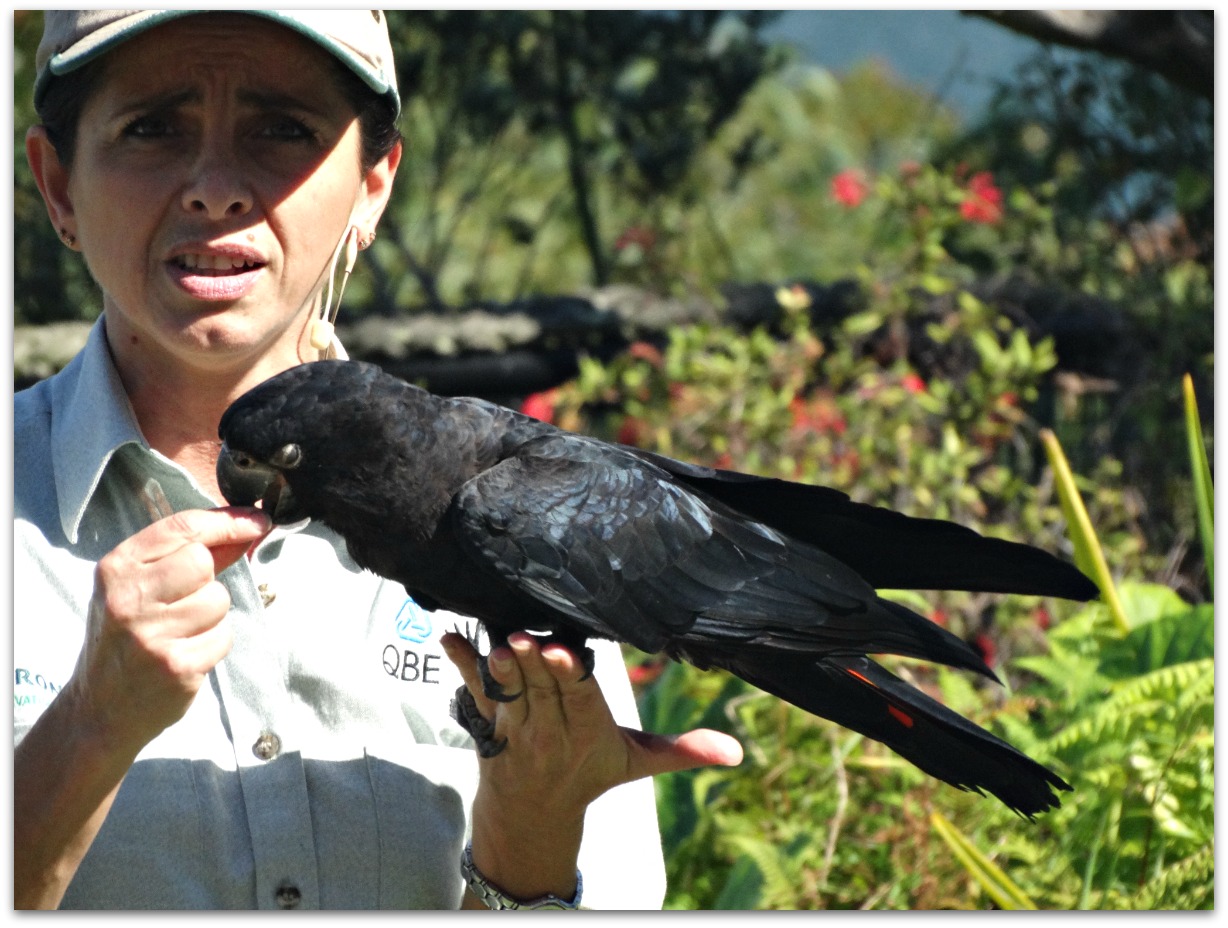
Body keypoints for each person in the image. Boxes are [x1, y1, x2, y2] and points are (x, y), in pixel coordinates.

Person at [13, 10, 742, 910]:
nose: (215, 189)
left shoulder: (518, 510)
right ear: (58, 187)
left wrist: (528, 842)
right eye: (151, 126)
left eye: (284, 129)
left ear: (372, 187)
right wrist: (86, 731)